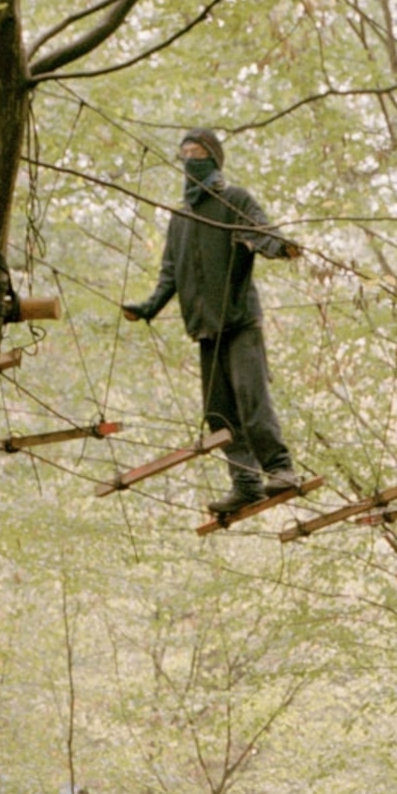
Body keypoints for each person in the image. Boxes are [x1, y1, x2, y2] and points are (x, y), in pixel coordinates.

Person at [124, 125, 307, 523]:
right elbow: (169, 275)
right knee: (218, 412)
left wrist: (281, 247)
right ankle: (245, 484)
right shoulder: (180, 219)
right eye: (183, 154)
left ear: (212, 156)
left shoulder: (233, 200)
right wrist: (147, 308)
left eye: (196, 152)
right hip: (205, 328)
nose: (189, 160)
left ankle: (279, 469)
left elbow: (260, 230)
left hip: (240, 321)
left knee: (250, 397)